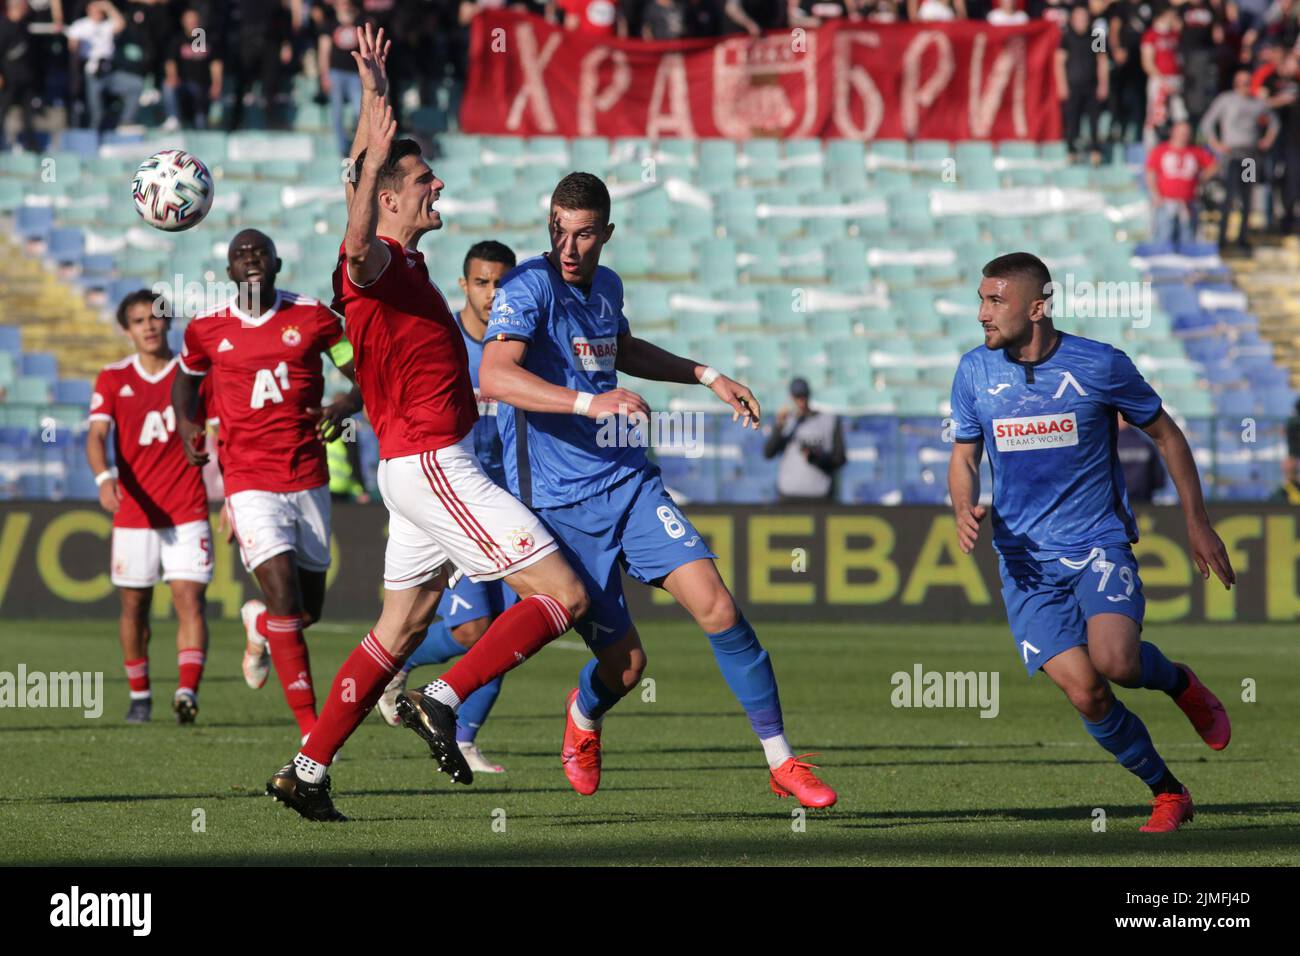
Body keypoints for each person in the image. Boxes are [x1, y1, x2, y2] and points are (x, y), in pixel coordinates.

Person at [263, 24, 588, 822]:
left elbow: (364, 213)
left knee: (399, 628)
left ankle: (307, 769)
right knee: (562, 595)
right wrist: (372, 159)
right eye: (424, 181)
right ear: (391, 198)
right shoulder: (371, 262)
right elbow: (353, 237)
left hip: (412, 468)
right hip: (436, 464)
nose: (436, 187)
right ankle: (445, 698)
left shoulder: (405, 264)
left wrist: (374, 106)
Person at [476, 171, 837, 808]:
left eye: (584, 234)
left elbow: (623, 346)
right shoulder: (526, 287)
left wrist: (706, 374)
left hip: (629, 481)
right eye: (558, 229)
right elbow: (497, 376)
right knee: (627, 668)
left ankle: (781, 759)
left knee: (719, 608)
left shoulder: (606, 285)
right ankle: (584, 717)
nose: (568, 246)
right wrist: (591, 403)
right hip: (559, 505)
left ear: (606, 235)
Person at [948, 252, 1235, 833]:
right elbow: (964, 456)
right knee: (1087, 693)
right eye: (980, 299)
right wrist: (962, 505)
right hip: (1024, 559)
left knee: (1117, 662)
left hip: (1096, 544)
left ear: (1037, 306)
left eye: (994, 300)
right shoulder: (974, 371)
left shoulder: (1100, 364)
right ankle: (1168, 792)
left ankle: (1180, 682)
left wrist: (1197, 521)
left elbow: (1168, 436)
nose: (982, 312)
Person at [172, 229, 359, 743]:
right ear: (229, 271)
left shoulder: (315, 317)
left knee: (305, 611)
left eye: (258, 252)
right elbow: (185, 381)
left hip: (308, 476)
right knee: (282, 596)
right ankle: (311, 732)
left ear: (276, 263)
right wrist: (189, 425)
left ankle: (258, 628)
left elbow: (360, 367)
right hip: (249, 480)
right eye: (239, 254)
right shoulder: (207, 329)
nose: (250, 258)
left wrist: (345, 403)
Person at [375, 240, 522, 776]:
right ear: (464, 285)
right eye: (482, 282)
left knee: (514, 622)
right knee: (471, 631)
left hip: (506, 499)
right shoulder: (445, 338)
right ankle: (404, 661)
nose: (492, 294)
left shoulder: (517, 342)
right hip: (445, 493)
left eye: (502, 283)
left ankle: (463, 738)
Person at [87, 290, 212, 725]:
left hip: (188, 507)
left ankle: (186, 692)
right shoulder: (112, 377)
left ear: (168, 323)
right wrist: (105, 479)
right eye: (139, 320)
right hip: (135, 515)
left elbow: (221, 427)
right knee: (134, 608)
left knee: (189, 600)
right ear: (127, 330)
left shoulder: (192, 374)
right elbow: (96, 436)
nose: (149, 326)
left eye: (156, 318)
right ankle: (140, 695)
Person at [1201, 68, 1280, 251]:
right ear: (1235, 84)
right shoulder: (1226, 100)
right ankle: (1223, 237)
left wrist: (1267, 140)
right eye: (1241, 83)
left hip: (1249, 157)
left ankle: (1242, 237)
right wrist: (1216, 144)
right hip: (1232, 154)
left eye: (1247, 83)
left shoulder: (1257, 103)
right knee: (1229, 196)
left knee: (1247, 197)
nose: (1244, 87)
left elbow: (1274, 122)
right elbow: (1207, 123)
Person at [762, 377, 846, 501]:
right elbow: (768, 453)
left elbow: (840, 459)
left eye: (803, 396)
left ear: (808, 395)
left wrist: (816, 458)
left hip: (820, 496)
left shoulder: (828, 421)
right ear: (791, 398)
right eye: (797, 397)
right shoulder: (786, 422)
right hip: (788, 496)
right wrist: (779, 427)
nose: (801, 401)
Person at [1144, 120, 1218, 245]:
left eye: (1186, 133)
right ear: (1173, 132)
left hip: (1188, 202)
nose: (1184, 135)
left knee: (1187, 237)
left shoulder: (1195, 151)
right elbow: (1150, 174)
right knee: (1164, 235)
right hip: (1166, 201)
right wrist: (1156, 195)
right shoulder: (1160, 150)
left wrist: (1200, 180)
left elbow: (1214, 166)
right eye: (1181, 132)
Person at [1057, 3, 1108, 164]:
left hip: (1091, 84)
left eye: (1084, 18)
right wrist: (1062, 84)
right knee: (1072, 120)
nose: (1082, 21)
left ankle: (1095, 151)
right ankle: (1071, 151)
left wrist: (1103, 84)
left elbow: (1102, 61)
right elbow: (1058, 61)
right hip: (1073, 84)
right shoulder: (1067, 36)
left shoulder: (1096, 35)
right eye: (1078, 18)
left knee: (1094, 120)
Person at [66, 0, 126, 131]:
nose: (98, 12)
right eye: (95, 9)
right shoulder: (80, 25)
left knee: (134, 86)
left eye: (100, 9)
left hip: (109, 69)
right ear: (88, 9)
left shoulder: (107, 25)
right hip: (90, 70)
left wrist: (109, 6)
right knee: (96, 111)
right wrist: (76, 45)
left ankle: (125, 123)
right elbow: (72, 47)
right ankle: (93, 134)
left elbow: (121, 24)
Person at [162, 6, 223, 131]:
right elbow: (170, 62)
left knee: (204, 118)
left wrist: (217, 84)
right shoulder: (177, 40)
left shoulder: (208, 39)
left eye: (194, 20)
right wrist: (172, 77)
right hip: (183, 85)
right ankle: (173, 119)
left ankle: (209, 129)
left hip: (203, 86)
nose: (191, 23)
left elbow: (216, 64)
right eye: (188, 20)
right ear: (183, 22)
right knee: (167, 86)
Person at [318, 0, 366, 157]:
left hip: (355, 74)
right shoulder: (329, 24)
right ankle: (342, 148)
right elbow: (324, 51)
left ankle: (358, 145)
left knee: (360, 110)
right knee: (337, 111)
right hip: (336, 73)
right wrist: (324, 75)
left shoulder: (360, 22)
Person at [0, 0, 39, 152]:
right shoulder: (3, 26)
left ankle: (33, 148)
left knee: (29, 116)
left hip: (25, 79)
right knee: (2, 112)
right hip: (8, 79)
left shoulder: (24, 26)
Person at [1116, 415, 1166, 502]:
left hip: (1116, 507)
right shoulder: (1146, 443)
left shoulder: (1106, 446)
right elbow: (1159, 480)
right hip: (1144, 506)